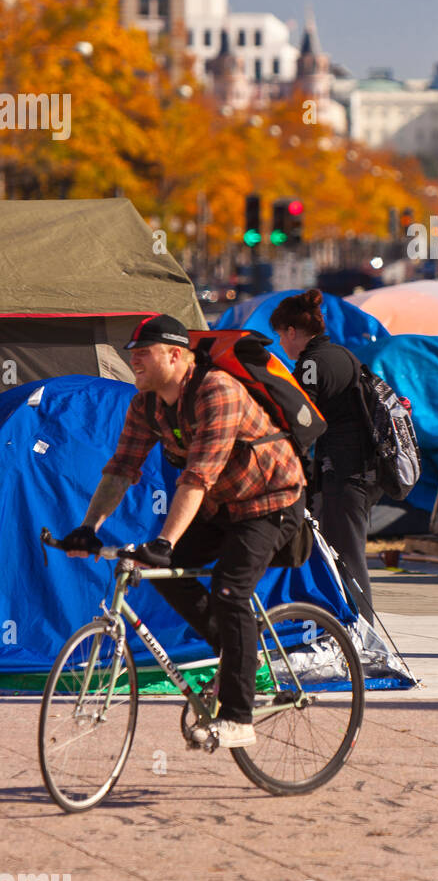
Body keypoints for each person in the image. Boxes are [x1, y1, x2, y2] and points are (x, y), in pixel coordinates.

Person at [58, 314, 306, 748]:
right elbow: (121, 469)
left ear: (175, 355)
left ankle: (238, 717)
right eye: (130, 354)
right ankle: (235, 653)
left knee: (231, 591)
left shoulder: (218, 391)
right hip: (222, 504)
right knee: (161, 571)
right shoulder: (146, 404)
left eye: (142, 355)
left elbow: (197, 477)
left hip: (271, 500)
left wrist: (164, 541)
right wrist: (87, 527)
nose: (132, 361)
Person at [270, 290, 381, 624]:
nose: (281, 343)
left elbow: (303, 419)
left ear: (291, 331)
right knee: (345, 553)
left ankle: (363, 635)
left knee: (346, 557)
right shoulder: (344, 355)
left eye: (280, 335)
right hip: (361, 471)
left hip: (344, 473)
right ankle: (346, 628)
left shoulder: (311, 364)